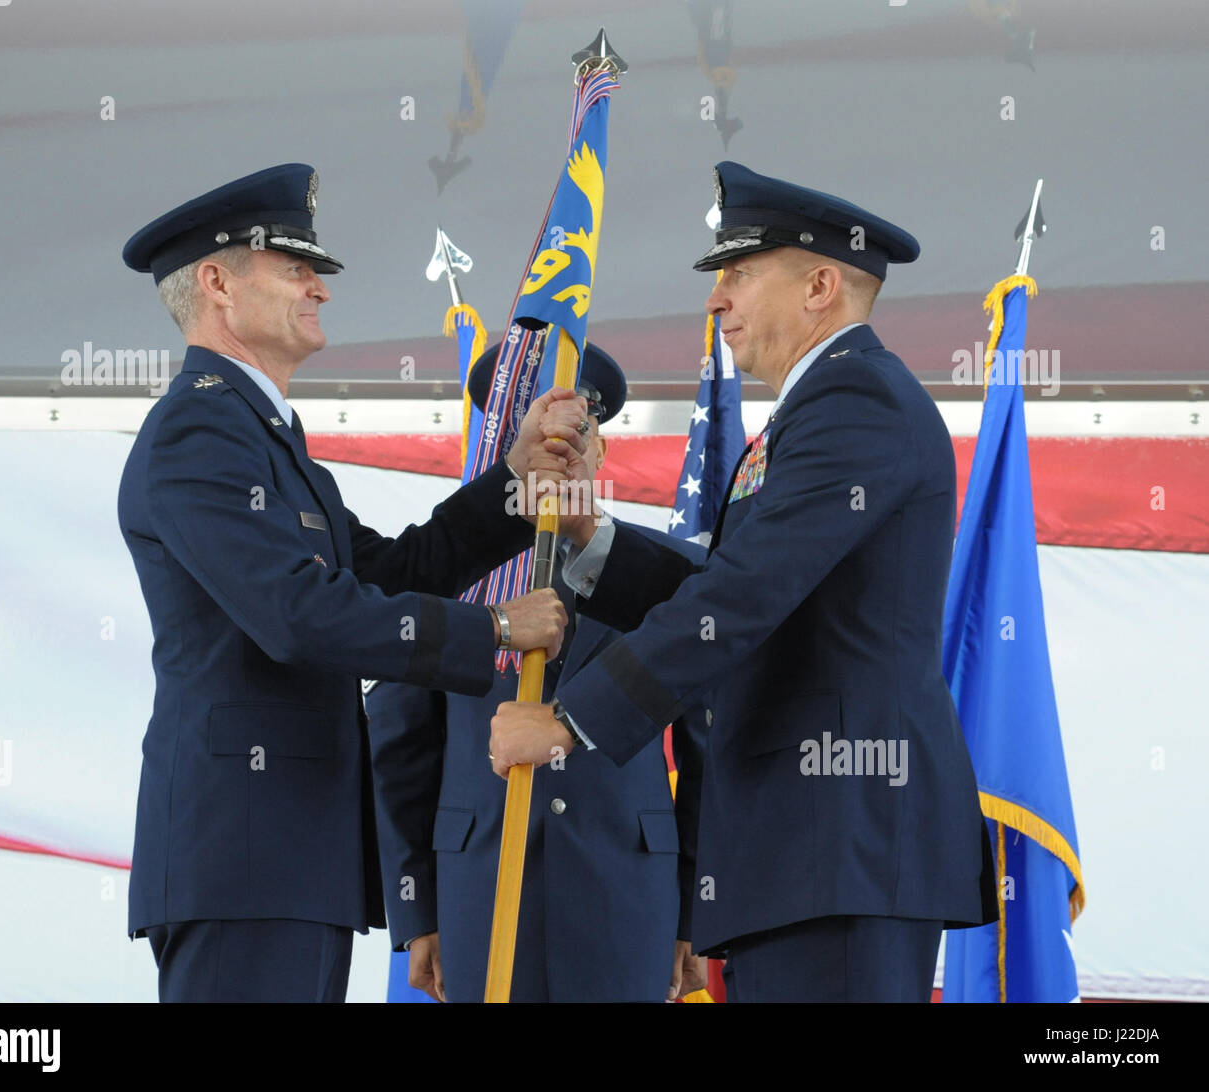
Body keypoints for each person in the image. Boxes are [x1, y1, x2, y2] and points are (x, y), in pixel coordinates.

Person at [489, 161, 999, 1003]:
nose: (715, 300)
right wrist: (593, 538)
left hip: (843, 842)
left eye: (738, 273)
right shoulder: (826, 405)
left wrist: (569, 723)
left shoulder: (854, 404)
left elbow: (744, 597)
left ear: (821, 286)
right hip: (807, 852)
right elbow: (739, 583)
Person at [117, 162, 584, 1002]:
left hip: (291, 858)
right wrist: (497, 632)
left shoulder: (261, 435)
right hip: (247, 860)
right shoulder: (199, 431)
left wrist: (516, 484)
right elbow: (298, 616)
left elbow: (392, 569)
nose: (320, 290)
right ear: (218, 283)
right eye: (296, 268)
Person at [366, 343, 710, 1003]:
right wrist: (416, 910)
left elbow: (709, 748)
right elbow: (401, 742)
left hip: (630, 895)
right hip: (478, 892)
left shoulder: (673, 575)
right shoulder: (442, 570)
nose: (559, 456)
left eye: (576, 437)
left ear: (604, 452)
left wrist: (695, 910)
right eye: (538, 440)